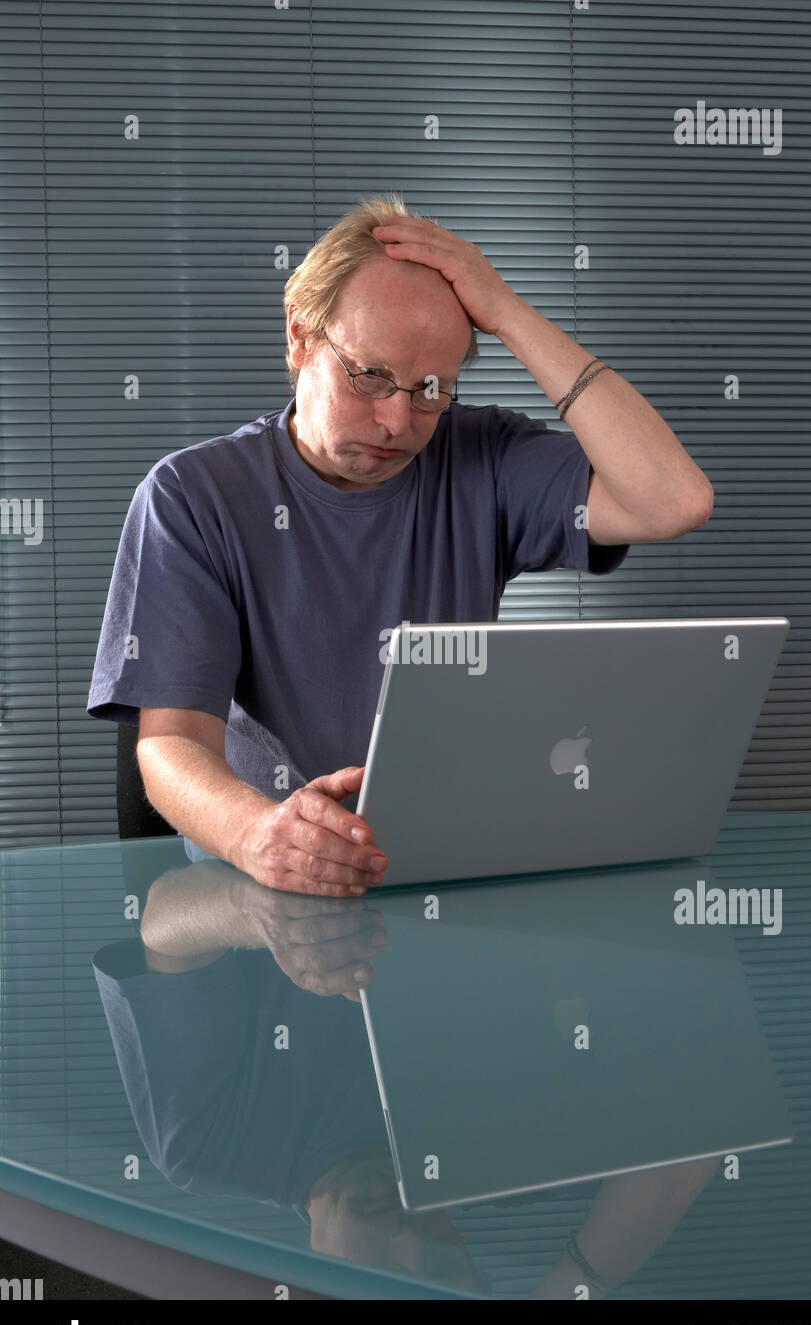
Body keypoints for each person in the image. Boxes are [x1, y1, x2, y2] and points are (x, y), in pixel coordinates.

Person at [87, 194, 714, 895]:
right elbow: (171, 744)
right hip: (264, 895)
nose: (397, 420)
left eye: (430, 388)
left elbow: (675, 500)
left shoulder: (484, 456)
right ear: (298, 336)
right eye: (370, 375)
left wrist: (506, 311)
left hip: (445, 880)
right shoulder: (191, 496)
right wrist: (258, 836)